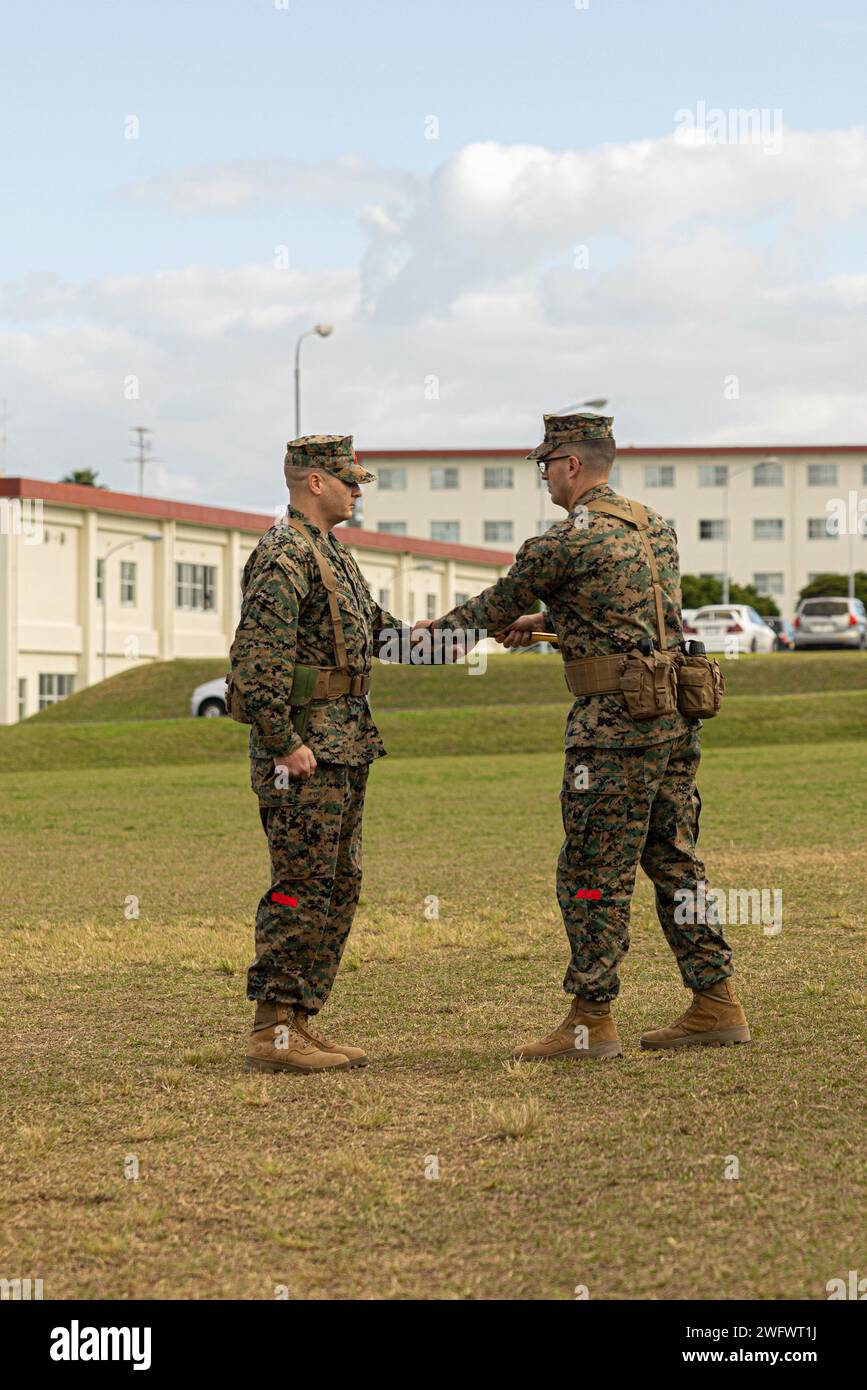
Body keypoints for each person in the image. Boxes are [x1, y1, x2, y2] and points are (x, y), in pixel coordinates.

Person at [413, 412, 750, 1060]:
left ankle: (590, 1021)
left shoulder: (568, 537)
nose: (541, 476)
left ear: (571, 464)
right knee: (672, 858)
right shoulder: (655, 526)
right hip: (672, 716)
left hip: (614, 728)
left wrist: (425, 638)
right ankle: (715, 1001)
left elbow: (490, 606)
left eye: (544, 464)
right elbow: (624, 611)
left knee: (591, 871)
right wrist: (547, 620)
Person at [229, 434, 407, 1074]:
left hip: (345, 744)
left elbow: (388, 637)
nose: (358, 490)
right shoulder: (283, 555)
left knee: (339, 881)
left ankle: (299, 1019)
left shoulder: (332, 554)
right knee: (299, 884)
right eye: (349, 480)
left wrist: (479, 633)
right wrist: (283, 743)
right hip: (305, 753)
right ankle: (271, 1030)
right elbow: (258, 663)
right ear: (313, 483)